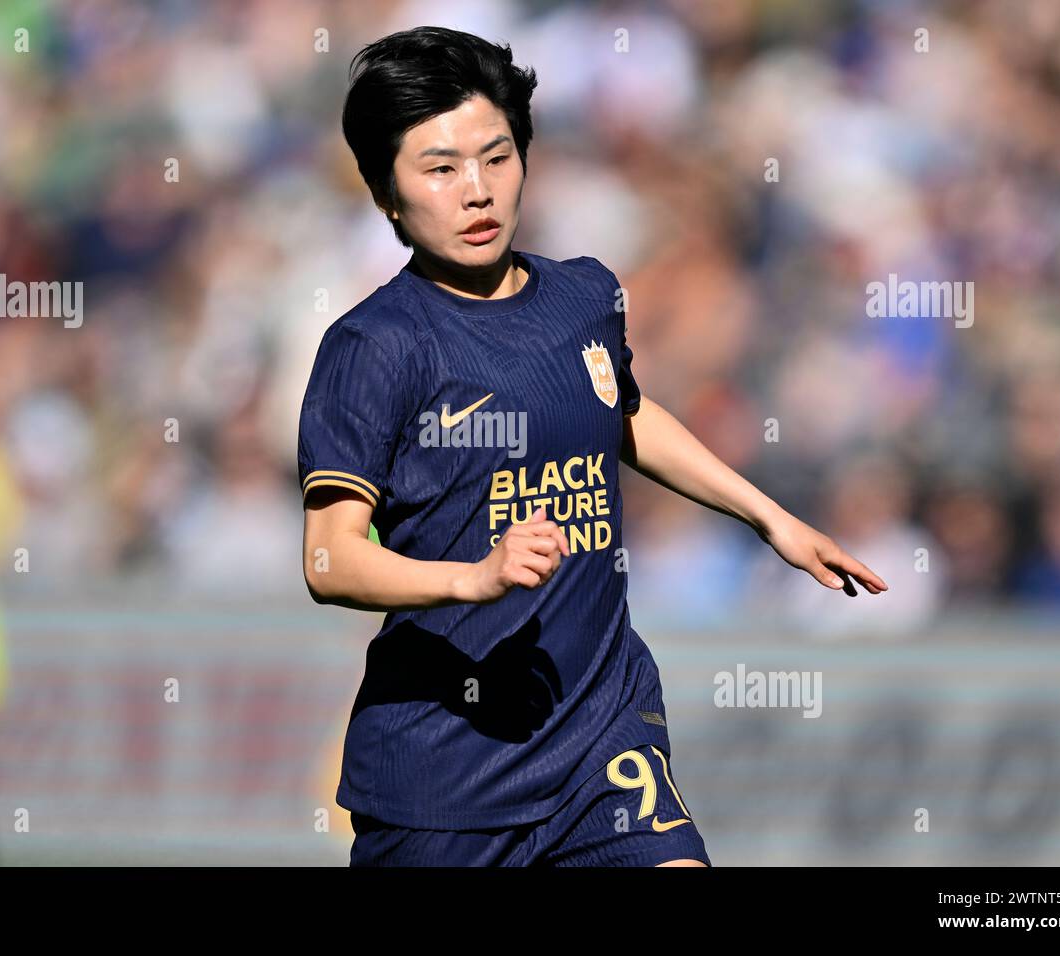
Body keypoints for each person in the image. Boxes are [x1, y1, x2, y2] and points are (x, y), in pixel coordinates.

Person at [298, 26, 887, 867]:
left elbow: (625, 415)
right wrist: (473, 578)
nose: (477, 190)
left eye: (496, 158)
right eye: (440, 168)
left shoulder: (582, 295)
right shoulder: (376, 348)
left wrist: (771, 518)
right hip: (448, 776)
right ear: (387, 195)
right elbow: (328, 561)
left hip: (598, 730)